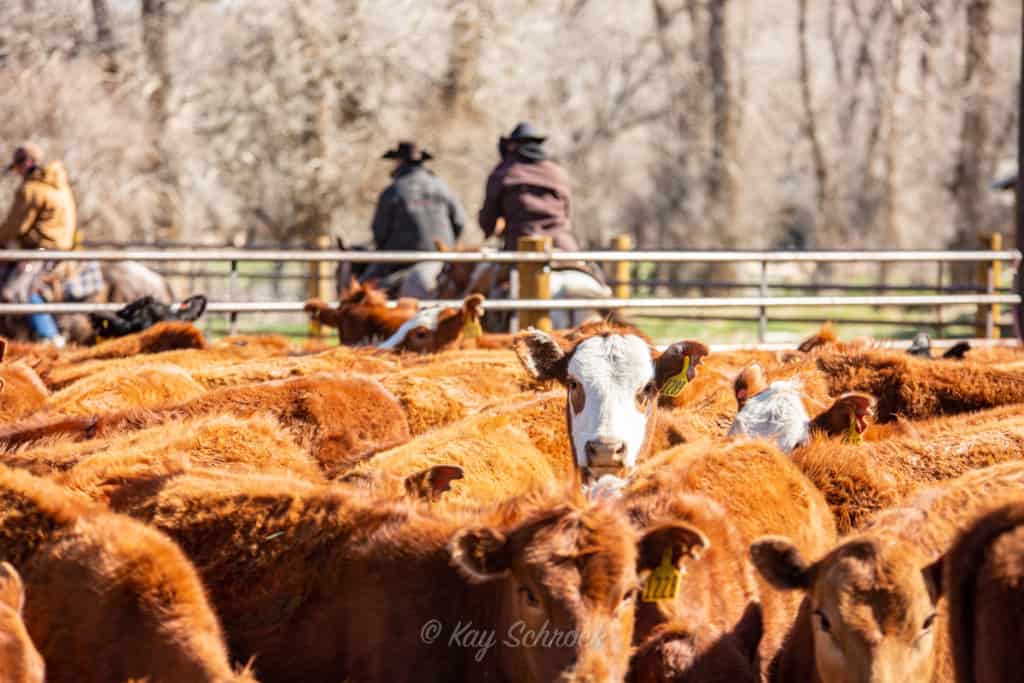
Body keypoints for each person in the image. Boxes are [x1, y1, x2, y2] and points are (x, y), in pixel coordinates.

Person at [0, 143, 84, 347]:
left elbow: (14, 227)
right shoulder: (59, 184)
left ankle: (49, 335)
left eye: (18, 167)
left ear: (26, 163)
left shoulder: (31, 189)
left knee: (17, 291)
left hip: (42, 250)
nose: (17, 173)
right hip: (62, 248)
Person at [361, 141, 467, 299]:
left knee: (362, 290)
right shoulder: (442, 187)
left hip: (402, 261)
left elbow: (379, 232)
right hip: (443, 257)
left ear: (400, 161)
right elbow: (460, 222)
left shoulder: (393, 191)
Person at [478, 122, 580, 252]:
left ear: (512, 146)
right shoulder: (558, 172)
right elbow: (567, 213)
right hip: (565, 248)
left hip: (521, 250)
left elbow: (488, 219)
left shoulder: (503, 173)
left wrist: (490, 230)